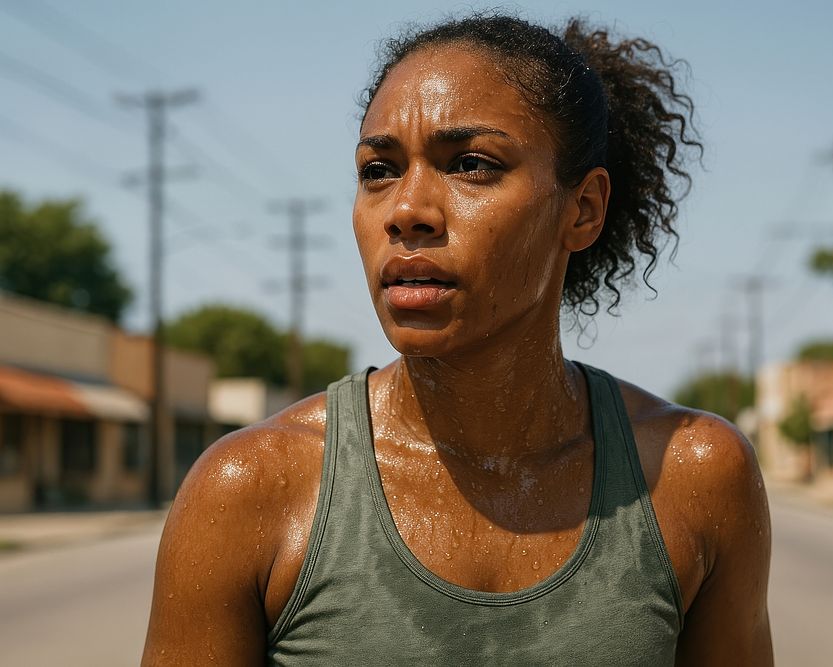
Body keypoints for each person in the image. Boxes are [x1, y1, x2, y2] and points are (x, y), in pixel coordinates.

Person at [142, 13, 772, 666]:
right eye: (379, 170)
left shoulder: (696, 476)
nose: (407, 209)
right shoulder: (248, 489)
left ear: (581, 209)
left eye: (470, 164)